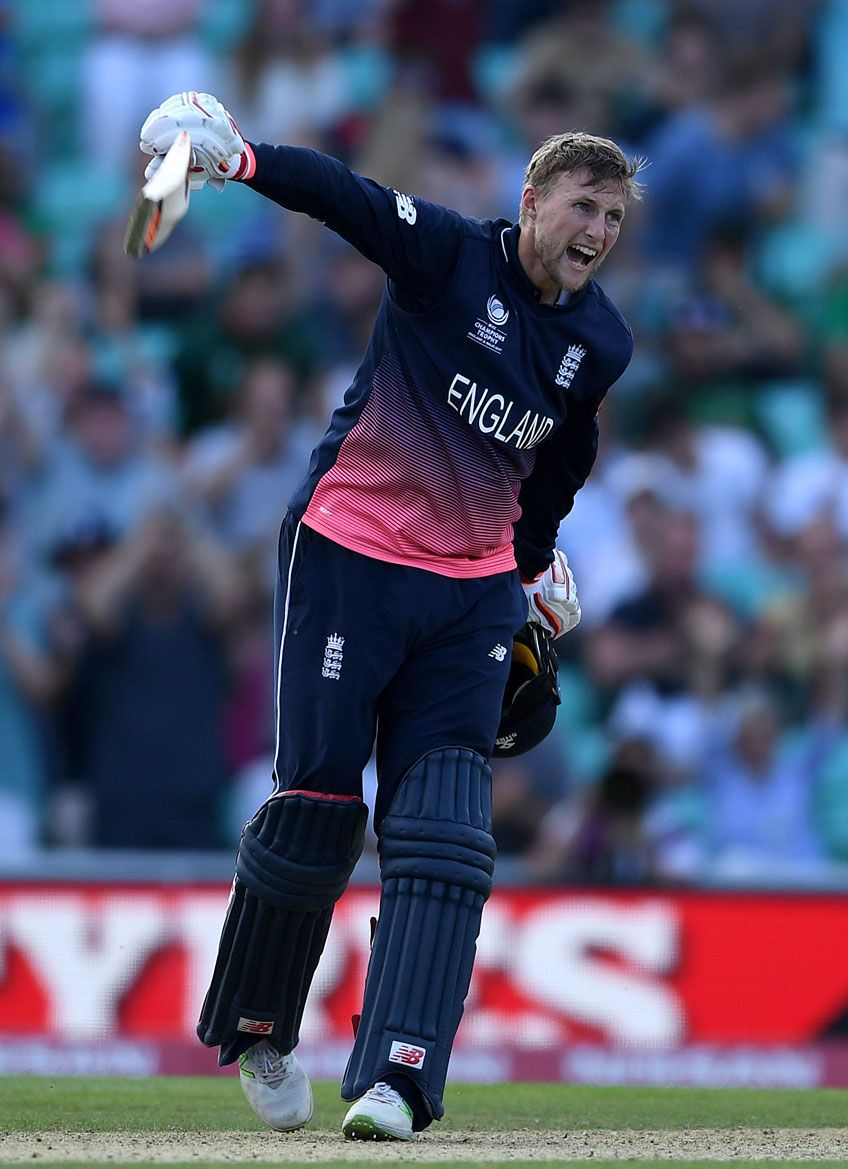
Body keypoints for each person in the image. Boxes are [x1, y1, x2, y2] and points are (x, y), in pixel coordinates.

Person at [138, 90, 640, 1141]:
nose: (596, 232)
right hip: (349, 556)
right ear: (533, 199)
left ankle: (400, 1074)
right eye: (583, 206)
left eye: (614, 219)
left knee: (448, 830)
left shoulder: (600, 342)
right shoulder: (455, 258)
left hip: (470, 591)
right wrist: (241, 162)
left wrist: (536, 567)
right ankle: (264, 1027)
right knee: (319, 808)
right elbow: (346, 198)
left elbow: (560, 455)